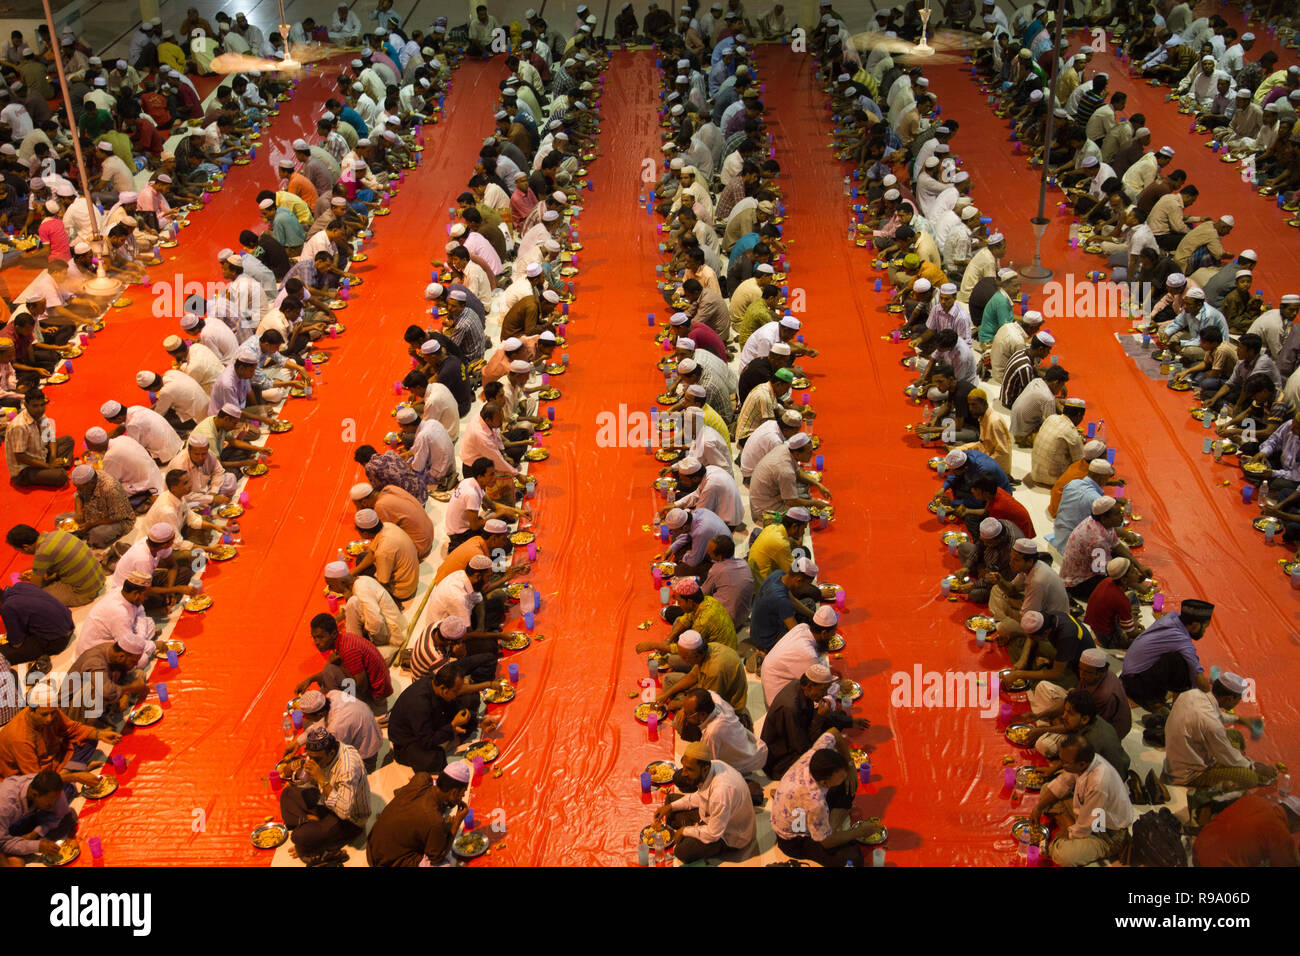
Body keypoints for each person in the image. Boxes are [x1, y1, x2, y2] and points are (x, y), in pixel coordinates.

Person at [769, 728, 875, 867]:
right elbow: (827, 843)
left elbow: (834, 733)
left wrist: (850, 767)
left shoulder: (815, 754)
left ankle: (830, 826)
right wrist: (859, 832)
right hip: (795, 839)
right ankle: (831, 828)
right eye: (839, 776)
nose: (843, 777)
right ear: (825, 782)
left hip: (801, 808)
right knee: (853, 859)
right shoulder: (815, 802)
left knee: (849, 783)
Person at [1029, 735, 1134, 866]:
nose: (1061, 765)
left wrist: (1067, 833)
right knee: (1046, 790)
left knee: (1062, 855)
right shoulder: (1083, 763)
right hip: (1088, 817)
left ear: (1081, 764)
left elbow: (1085, 827)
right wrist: (1038, 808)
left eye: (1064, 762)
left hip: (1106, 833)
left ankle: (1066, 831)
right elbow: (1062, 784)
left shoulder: (1098, 783)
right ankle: (1067, 824)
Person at [1165, 672, 1277, 790]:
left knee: (1236, 735)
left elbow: (1212, 714)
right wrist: (1253, 767)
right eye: (1238, 699)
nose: (1238, 703)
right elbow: (1226, 753)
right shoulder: (1212, 725)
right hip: (1187, 772)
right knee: (1249, 778)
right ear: (1229, 698)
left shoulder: (1192, 694)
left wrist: (1239, 719)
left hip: (1182, 750)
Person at [279, 726, 371, 866]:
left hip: (350, 819)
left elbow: (343, 812)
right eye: (309, 756)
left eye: (316, 759)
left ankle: (313, 836)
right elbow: (307, 783)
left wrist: (322, 779)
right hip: (326, 802)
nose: (312, 761)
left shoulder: (348, 768)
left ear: (331, 753)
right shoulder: (323, 753)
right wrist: (295, 771)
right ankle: (312, 826)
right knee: (287, 794)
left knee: (299, 837)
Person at [653, 741, 756, 863]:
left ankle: (690, 832)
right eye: (684, 767)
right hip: (711, 815)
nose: (684, 773)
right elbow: (700, 796)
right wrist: (671, 806)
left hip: (728, 834)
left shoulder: (721, 792)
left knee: (681, 851)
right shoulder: (713, 765)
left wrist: (684, 831)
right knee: (670, 801)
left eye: (689, 769)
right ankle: (690, 829)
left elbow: (714, 833)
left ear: (705, 769)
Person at [761, 663, 868, 780]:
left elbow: (809, 719)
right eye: (823, 690)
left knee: (838, 717)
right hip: (782, 760)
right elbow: (803, 748)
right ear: (809, 686)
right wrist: (819, 718)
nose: (825, 694)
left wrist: (849, 722)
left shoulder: (801, 687)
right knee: (826, 762)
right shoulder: (790, 708)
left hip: (798, 738)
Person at [0, 681, 119, 781]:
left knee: (89, 739)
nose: (49, 719)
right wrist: (76, 777)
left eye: (52, 713)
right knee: (58, 795)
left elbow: (72, 729)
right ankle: (72, 771)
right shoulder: (19, 738)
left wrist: (100, 734)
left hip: (54, 759)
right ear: (31, 710)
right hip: (30, 775)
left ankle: (67, 771)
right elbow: (36, 780)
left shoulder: (50, 710)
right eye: (44, 715)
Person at [388, 664, 496, 773]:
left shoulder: (434, 683)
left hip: (431, 719)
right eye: (456, 691)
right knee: (435, 759)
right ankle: (449, 743)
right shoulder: (419, 704)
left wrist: (478, 720)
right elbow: (426, 741)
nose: (458, 693)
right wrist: (452, 726)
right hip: (408, 740)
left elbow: (453, 705)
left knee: (470, 701)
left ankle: (451, 739)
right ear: (443, 689)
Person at [367, 761, 472, 867]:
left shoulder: (421, 778)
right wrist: (456, 823)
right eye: (462, 793)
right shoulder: (434, 821)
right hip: (385, 861)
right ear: (453, 792)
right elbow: (437, 858)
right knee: (444, 864)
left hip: (373, 844)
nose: (462, 797)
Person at [1121, 598, 1215, 711]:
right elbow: (1200, 681)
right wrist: (1215, 696)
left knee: (1178, 659)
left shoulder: (1171, 616)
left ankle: (1164, 696)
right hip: (1135, 684)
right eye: (1204, 627)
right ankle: (1157, 702)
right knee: (1182, 664)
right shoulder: (1181, 640)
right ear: (1195, 625)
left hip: (1128, 674)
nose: (1204, 631)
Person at [297, 613, 393, 714]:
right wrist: (310, 680)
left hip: (375, 701)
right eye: (314, 637)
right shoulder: (343, 639)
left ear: (333, 634)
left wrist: (339, 666)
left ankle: (341, 711)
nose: (317, 642)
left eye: (321, 637)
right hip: (374, 691)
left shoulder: (348, 651)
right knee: (330, 670)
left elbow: (362, 686)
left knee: (329, 671)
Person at [4, 524, 104, 607]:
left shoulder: (42, 554)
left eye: (19, 550)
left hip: (85, 593)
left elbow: (34, 588)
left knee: (37, 597)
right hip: (99, 578)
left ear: (25, 547)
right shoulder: (57, 534)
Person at [676, 688, 768, 777]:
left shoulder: (712, 732)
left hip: (747, 761)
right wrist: (682, 710)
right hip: (750, 745)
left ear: (702, 714)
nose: (685, 714)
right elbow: (709, 692)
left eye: (688, 713)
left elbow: (710, 764)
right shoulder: (713, 699)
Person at [761, 606, 839, 707]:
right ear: (824, 633)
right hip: (778, 696)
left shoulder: (803, 627)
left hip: (772, 677)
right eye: (831, 637)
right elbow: (820, 690)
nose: (830, 640)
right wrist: (838, 687)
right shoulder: (808, 655)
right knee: (824, 706)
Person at [1193, 793, 1300, 867]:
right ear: (1296, 821)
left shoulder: (1254, 799)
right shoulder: (1281, 832)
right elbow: (1286, 863)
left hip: (1198, 848)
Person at [0, 769, 76, 866]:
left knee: (68, 818)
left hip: (22, 820)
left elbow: (60, 813)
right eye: (48, 803)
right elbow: (2, 843)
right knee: (16, 862)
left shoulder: (48, 789)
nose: (52, 804)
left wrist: (35, 833)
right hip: (7, 828)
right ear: (34, 794)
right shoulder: (5, 806)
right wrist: (37, 846)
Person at [0, 580, 73, 667]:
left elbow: (17, 644)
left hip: (57, 641)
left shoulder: (7, 608)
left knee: (2, 654)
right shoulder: (20, 585)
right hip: (69, 624)